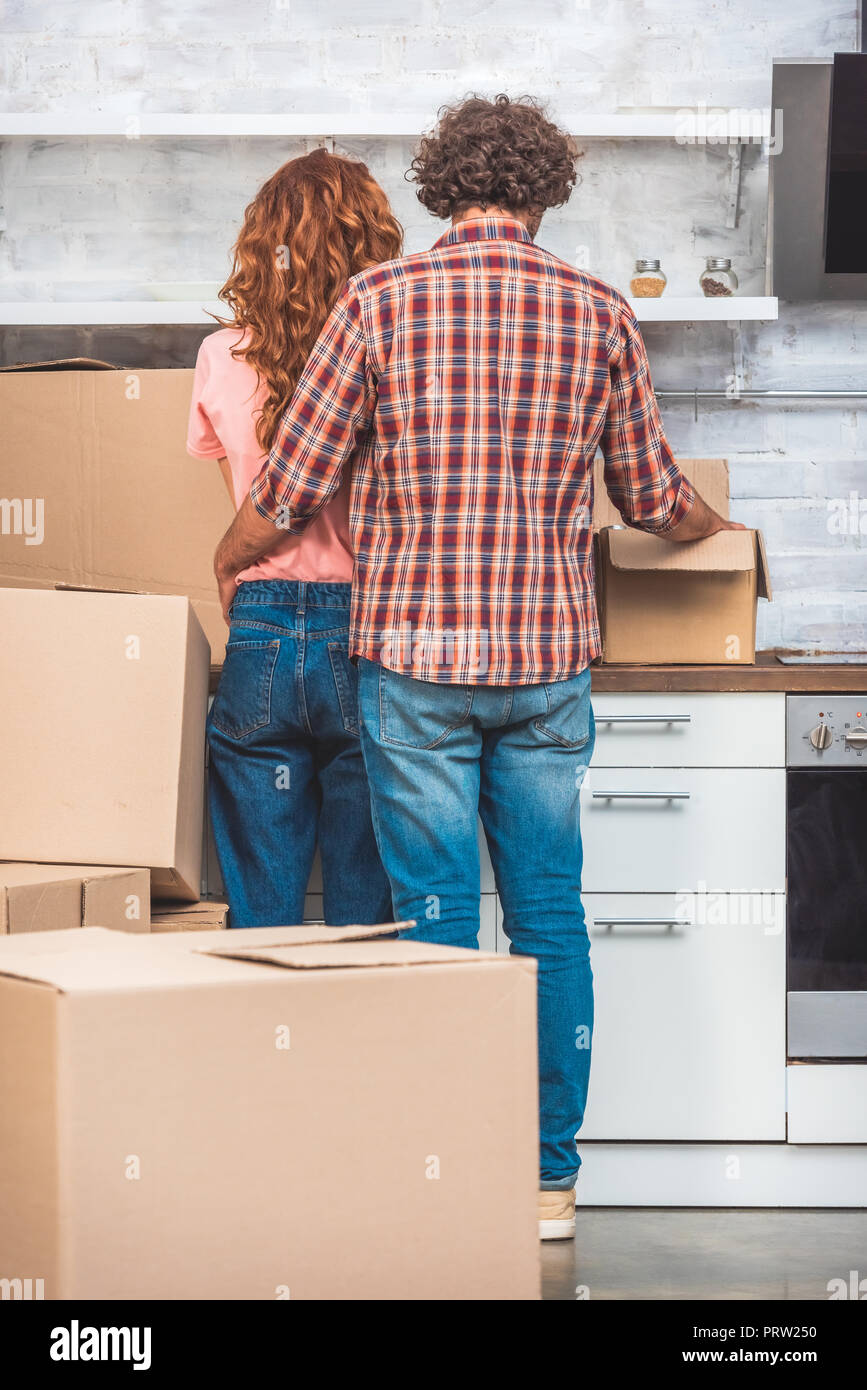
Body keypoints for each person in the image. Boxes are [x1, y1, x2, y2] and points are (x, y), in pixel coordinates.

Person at [212, 95, 743, 1234]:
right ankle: (548, 1181)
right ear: (547, 189)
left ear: (442, 187)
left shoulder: (376, 300)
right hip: (547, 666)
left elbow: (294, 485)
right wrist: (716, 531)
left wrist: (230, 551)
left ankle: (447, 1171)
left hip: (410, 667)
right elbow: (653, 497)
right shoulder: (599, 311)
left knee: (441, 916)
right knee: (550, 915)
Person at [188, 149, 399, 928]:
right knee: (364, 919)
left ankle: (262, 1039)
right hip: (370, 625)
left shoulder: (220, 355)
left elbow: (252, 511)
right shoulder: (390, 351)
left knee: (261, 914)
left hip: (261, 627)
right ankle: (352, 1042)